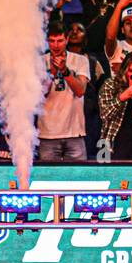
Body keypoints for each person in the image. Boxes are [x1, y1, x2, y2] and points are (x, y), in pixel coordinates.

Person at [37, 22, 90, 162]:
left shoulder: (80, 60)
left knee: (78, 178)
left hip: (74, 132)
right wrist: (53, 73)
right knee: (47, 181)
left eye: (60, 40)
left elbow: (80, 90)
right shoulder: (39, 62)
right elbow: (38, 96)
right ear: (47, 41)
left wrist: (65, 71)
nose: (56, 45)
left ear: (67, 39)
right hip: (47, 133)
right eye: (52, 41)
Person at [98, 51, 132, 161]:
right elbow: (104, 114)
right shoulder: (111, 84)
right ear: (125, 70)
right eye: (131, 71)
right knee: (112, 177)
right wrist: (123, 97)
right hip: (112, 146)